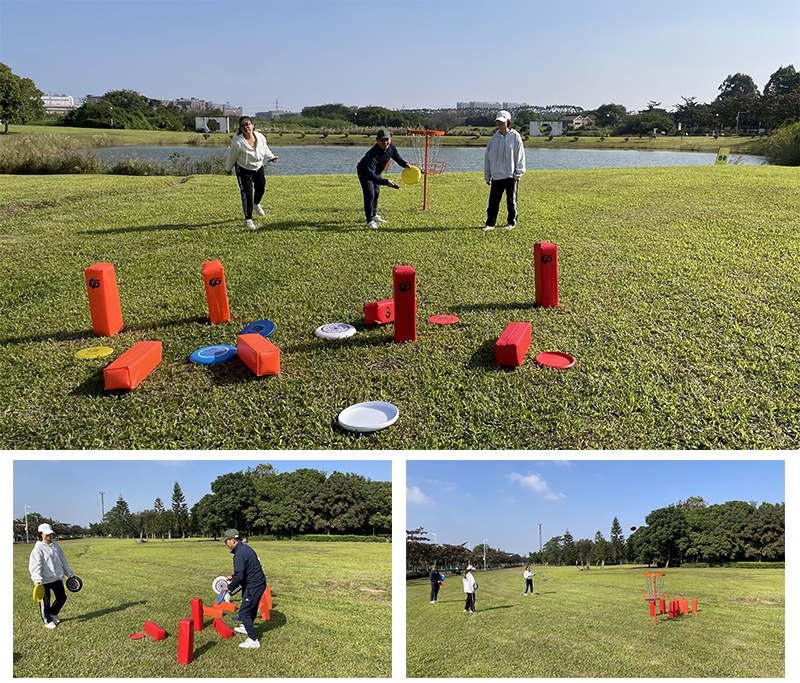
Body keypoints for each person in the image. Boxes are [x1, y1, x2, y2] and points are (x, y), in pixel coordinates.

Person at [225, 116, 279, 229]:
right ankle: (248, 219)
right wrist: (228, 169)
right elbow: (232, 157)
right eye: (243, 125)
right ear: (240, 128)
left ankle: (256, 204)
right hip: (243, 169)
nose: (246, 127)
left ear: (252, 125)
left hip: (258, 167)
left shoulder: (260, 137)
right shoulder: (237, 143)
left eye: (248, 124)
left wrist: (272, 157)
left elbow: (265, 149)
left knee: (261, 188)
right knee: (247, 193)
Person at [356, 129, 415, 230]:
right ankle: (369, 221)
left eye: (387, 140)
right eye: (382, 140)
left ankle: (374, 214)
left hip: (376, 172)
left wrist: (404, 164)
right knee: (370, 193)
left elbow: (396, 157)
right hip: (365, 173)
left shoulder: (391, 147)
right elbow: (370, 174)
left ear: (390, 139)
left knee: (376, 192)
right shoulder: (373, 154)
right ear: (377, 141)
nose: (385, 143)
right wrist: (385, 181)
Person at [222, 528, 267, 649]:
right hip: (258, 583)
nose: (225, 544)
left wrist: (229, 587)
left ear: (232, 540)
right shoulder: (244, 548)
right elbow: (245, 570)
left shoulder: (239, 554)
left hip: (254, 585)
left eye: (226, 541)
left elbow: (240, 577)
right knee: (251, 608)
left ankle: (253, 640)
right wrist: (233, 576)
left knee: (244, 611)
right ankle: (246, 626)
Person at [483, 110, 526, 231]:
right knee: (493, 201)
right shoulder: (493, 139)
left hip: (511, 175)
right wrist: (487, 174)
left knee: (511, 200)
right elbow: (488, 157)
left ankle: (511, 222)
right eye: (498, 121)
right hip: (497, 175)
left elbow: (520, 155)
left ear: (508, 122)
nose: (500, 124)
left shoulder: (515, 136)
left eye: (502, 121)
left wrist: (518, 172)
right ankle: (490, 223)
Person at [29, 523, 76, 629]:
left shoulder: (55, 546)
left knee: (62, 597)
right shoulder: (38, 549)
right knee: (45, 602)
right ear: (40, 534)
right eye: (47, 534)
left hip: (56, 578)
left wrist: (70, 574)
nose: (49, 536)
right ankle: (47, 620)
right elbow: (35, 565)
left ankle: (53, 613)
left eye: (50, 534)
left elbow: (63, 561)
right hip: (44, 580)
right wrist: (37, 579)